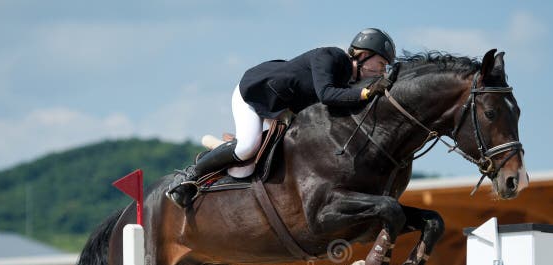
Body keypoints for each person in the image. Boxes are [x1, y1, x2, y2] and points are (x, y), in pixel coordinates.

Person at [167, 28, 396, 208]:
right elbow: (327, 95)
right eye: (381, 64)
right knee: (247, 147)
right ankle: (188, 178)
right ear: (364, 55)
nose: (381, 71)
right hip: (254, 94)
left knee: (268, 159)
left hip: (281, 109)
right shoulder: (332, 57)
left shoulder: (348, 81)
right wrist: (366, 92)